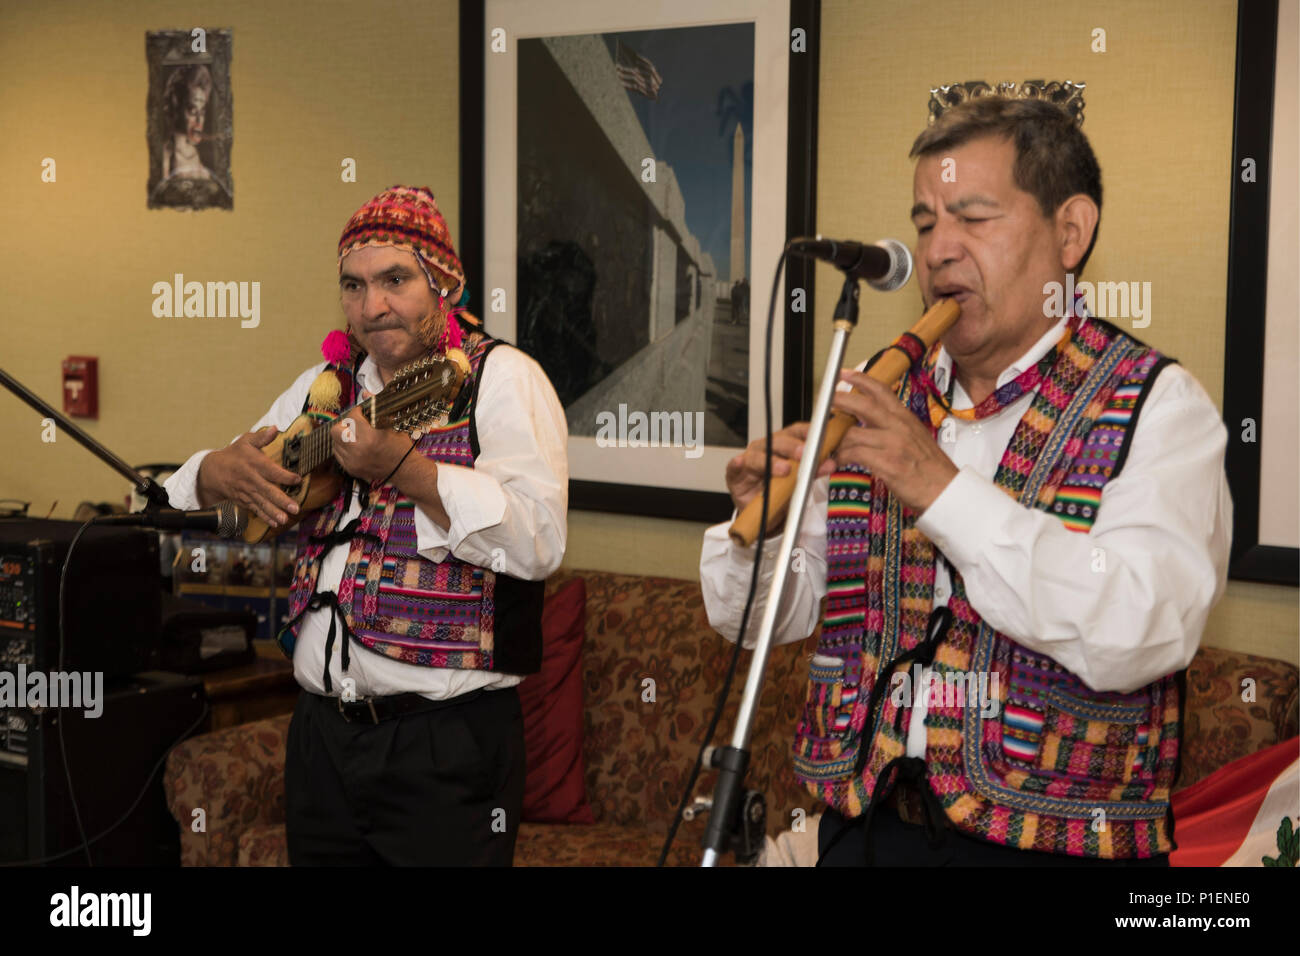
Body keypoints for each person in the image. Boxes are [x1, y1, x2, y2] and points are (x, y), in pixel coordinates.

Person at [699, 97, 1231, 866]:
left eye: (973, 218)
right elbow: (760, 620)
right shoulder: (872, 399)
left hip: (1050, 846)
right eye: (924, 221)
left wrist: (942, 489)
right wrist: (761, 528)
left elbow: (1141, 633)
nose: (938, 250)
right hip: (866, 828)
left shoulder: (1159, 404)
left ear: (1070, 232)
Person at [165, 185, 568, 865]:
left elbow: (539, 542)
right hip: (322, 737)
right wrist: (212, 472)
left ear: (442, 284)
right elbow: (206, 500)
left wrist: (407, 470)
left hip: (444, 746)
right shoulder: (324, 384)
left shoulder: (504, 381)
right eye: (353, 285)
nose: (371, 306)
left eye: (395, 281)